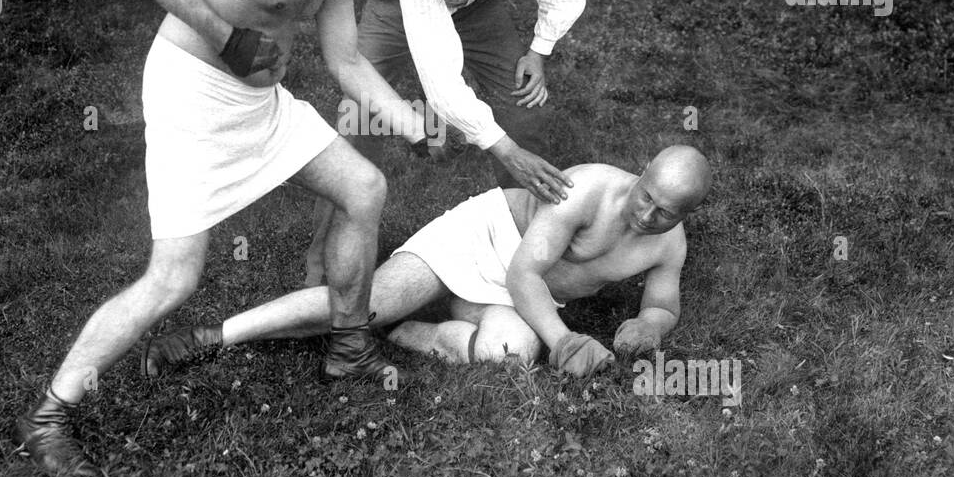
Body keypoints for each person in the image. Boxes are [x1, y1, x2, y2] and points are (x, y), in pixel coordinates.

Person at [17, 0, 464, 477]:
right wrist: (228, 38)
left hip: (262, 105)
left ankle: (346, 348)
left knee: (363, 188)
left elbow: (344, 60)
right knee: (175, 278)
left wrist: (406, 119)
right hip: (193, 96)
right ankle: (49, 414)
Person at [147, 146, 712, 379]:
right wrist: (564, 340)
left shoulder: (670, 242)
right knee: (362, 307)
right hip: (485, 242)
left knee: (510, 357)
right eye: (646, 198)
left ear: (686, 213)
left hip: (515, 293)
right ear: (640, 176)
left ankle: (410, 330)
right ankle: (212, 336)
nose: (648, 217)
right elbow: (525, 272)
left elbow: (663, 300)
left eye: (666, 213)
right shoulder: (589, 189)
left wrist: (649, 325)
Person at [305, 0, 590, 286]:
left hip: (476, 4)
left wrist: (539, 51)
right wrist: (503, 148)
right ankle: (325, 264)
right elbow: (439, 72)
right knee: (359, 117)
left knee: (524, 107)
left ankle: (531, 247)